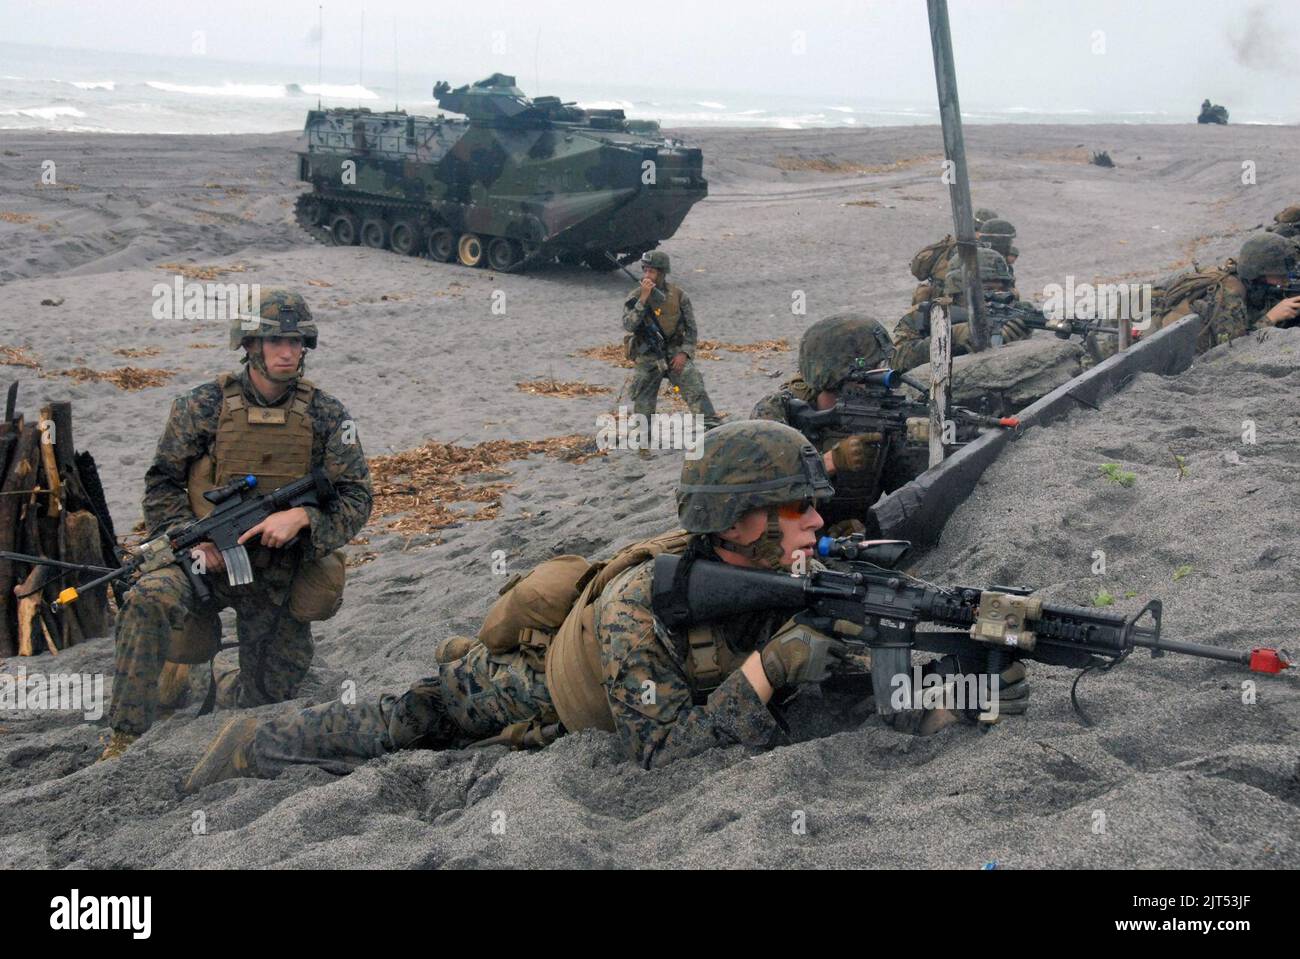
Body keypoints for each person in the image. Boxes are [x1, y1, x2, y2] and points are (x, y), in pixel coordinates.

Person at [183, 421, 1021, 790]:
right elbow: (670, 756)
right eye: (797, 508)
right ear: (740, 521)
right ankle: (251, 736)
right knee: (410, 720)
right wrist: (769, 668)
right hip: (535, 686)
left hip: (659, 687)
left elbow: (846, 693)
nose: (815, 522)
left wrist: (950, 696)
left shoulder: (787, 571)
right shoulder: (636, 608)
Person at [100, 290, 373, 760]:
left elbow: (357, 496)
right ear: (250, 346)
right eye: (275, 341)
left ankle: (224, 677)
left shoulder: (328, 415)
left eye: (296, 341)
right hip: (205, 559)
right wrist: (192, 542)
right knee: (146, 599)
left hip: (278, 572)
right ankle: (124, 737)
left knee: (269, 696)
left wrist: (303, 517)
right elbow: (162, 482)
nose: (288, 351)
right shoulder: (201, 407)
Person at [751, 314, 918, 536]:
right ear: (839, 374)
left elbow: (908, 494)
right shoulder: (777, 412)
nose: (883, 374)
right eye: (874, 367)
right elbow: (761, 493)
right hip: (782, 541)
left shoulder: (884, 415)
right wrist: (828, 463)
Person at [620, 250, 720, 450]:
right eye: (645, 271)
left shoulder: (679, 295)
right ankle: (642, 440)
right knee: (643, 399)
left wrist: (684, 353)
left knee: (695, 387)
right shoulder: (635, 297)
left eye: (653, 272)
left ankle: (712, 430)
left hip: (675, 353)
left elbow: (691, 330)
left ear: (663, 273)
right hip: (648, 356)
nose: (648, 276)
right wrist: (643, 300)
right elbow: (629, 325)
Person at [1156, 233, 1300, 352]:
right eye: (1280, 275)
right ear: (1258, 275)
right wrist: (1270, 318)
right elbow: (1230, 349)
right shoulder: (1229, 294)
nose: (1286, 280)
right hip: (1175, 345)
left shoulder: (1253, 280)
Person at [892, 248, 1031, 371]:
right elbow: (895, 361)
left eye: (1002, 289)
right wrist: (953, 337)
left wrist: (1018, 335)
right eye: (987, 290)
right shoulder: (922, 315)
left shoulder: (1013, 311)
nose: (996, 295)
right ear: (958, 289)